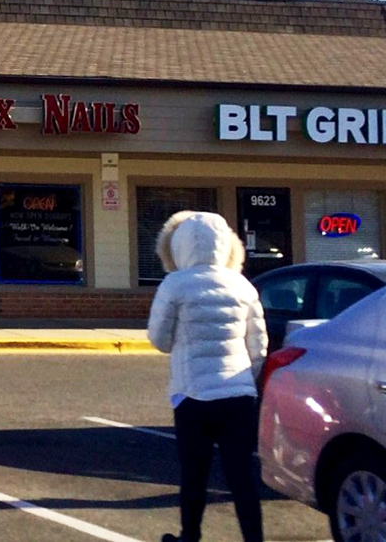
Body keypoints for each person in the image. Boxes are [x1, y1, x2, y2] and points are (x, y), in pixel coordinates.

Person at [147, 210, 268, 542]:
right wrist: (247, 380)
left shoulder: (174, 284)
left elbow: (159, 339)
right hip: (239, 396)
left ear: (179, 246)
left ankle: (190, 536)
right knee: (242, 476)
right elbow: (258, 346)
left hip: (193, 394)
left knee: (194, 475)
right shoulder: (243, 286)